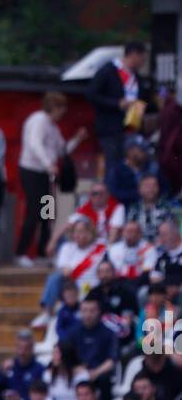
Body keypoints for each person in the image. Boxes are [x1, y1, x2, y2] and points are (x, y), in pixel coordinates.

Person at [16, 92, 87, 265]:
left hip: (47, 174)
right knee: (34, 211)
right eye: (60, 109)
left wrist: (77, 140)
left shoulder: (54, 128)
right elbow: (35, 144)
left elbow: (62, 150)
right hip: (32, 170)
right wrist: (48, 163)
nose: (62, 113)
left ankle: (43, 251)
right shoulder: (38, 120)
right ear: (53, 108)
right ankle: (21, 253)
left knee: (47, 213)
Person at [87, 41, 148, 168]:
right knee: (113, 165)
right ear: (134, 55)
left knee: (132, 165)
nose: (143, 62)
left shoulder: (137, 77)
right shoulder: (108, 71)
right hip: (111, 128)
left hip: (132, 128)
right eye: (142, 58)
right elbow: (91, 95)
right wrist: (117, 103)